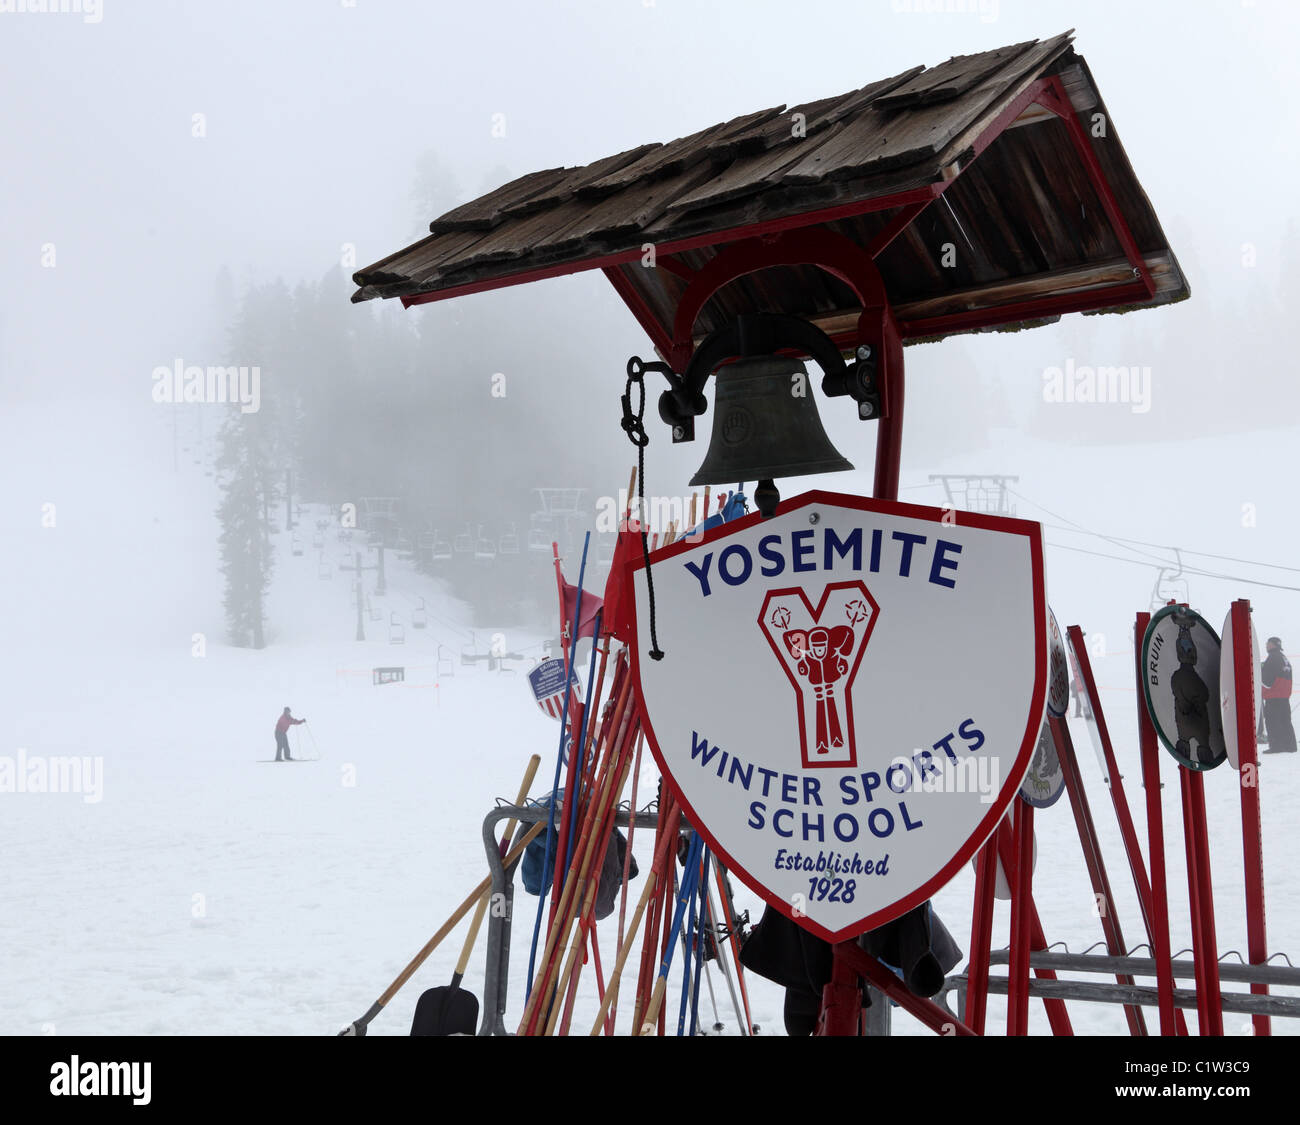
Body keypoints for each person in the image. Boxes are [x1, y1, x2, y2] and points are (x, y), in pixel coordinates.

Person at [1261, 637, 1296, 754]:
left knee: (1272, 721)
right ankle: (1290, 745)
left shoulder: (1272, 658)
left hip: (1273, 695)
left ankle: (1276, 746)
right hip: (1284, 695)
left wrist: (1259, 676)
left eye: (1268, 643)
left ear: (1273, 645)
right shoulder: (1283, 657)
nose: (1266, 645)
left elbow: (1267, 681)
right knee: (1285, 720)